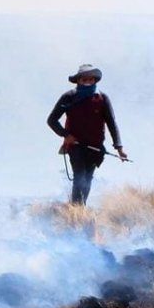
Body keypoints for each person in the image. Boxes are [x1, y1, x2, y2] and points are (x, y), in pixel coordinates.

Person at [47, 64, 127, 205]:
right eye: (84, 79)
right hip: (75, 145)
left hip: (95, 147)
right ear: (78, 80)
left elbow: (112, 124)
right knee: (79, 176)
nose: (88, 82)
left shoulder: (102, 98)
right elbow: (52, 120)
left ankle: (81, 207)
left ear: (95, 80)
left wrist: (119, 148)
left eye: (91, 79)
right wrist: (66, 135)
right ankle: (76, 209)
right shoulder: (69, 97)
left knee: (88, 179)